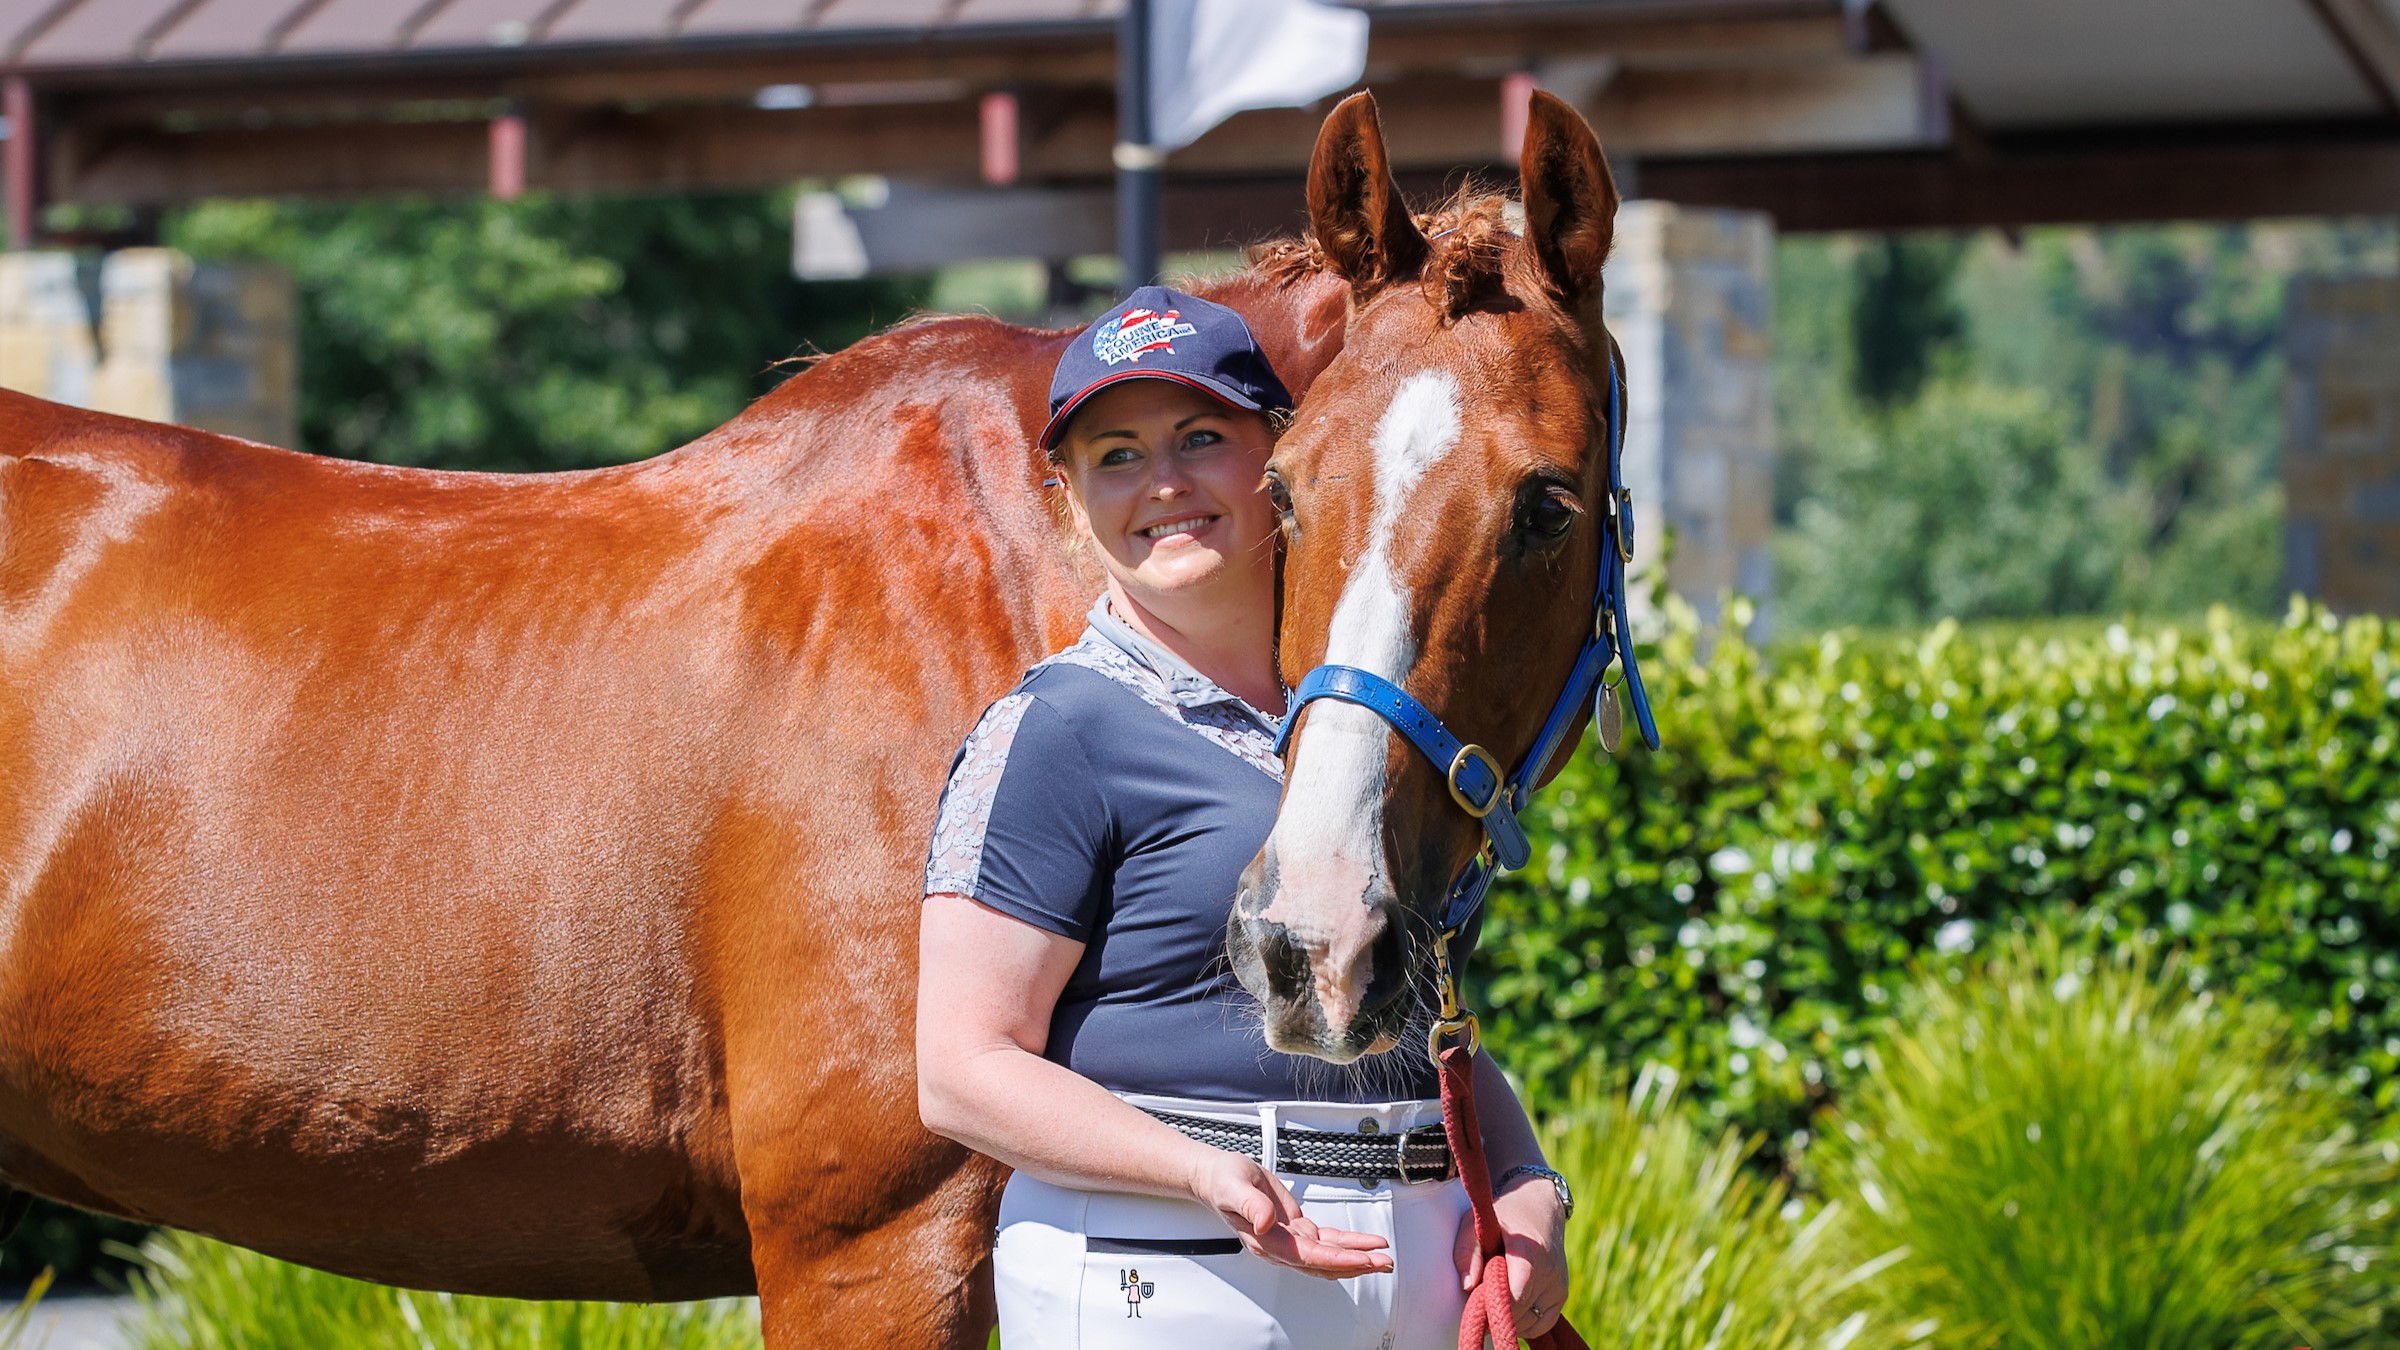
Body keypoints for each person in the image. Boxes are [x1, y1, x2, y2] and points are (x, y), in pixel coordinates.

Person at [916, 287, 1572, 1349]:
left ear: (1278, 457)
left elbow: (1415, 1017)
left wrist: (1531, 1186)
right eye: (1116, 455)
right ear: (1071, 498)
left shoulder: (1360, 739)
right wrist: (1195, 1171)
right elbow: (960, 1070)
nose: (1164, 482)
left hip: (1417, 1276)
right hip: (1169, 1273)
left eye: (1201, 438)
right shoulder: (1052, 731)